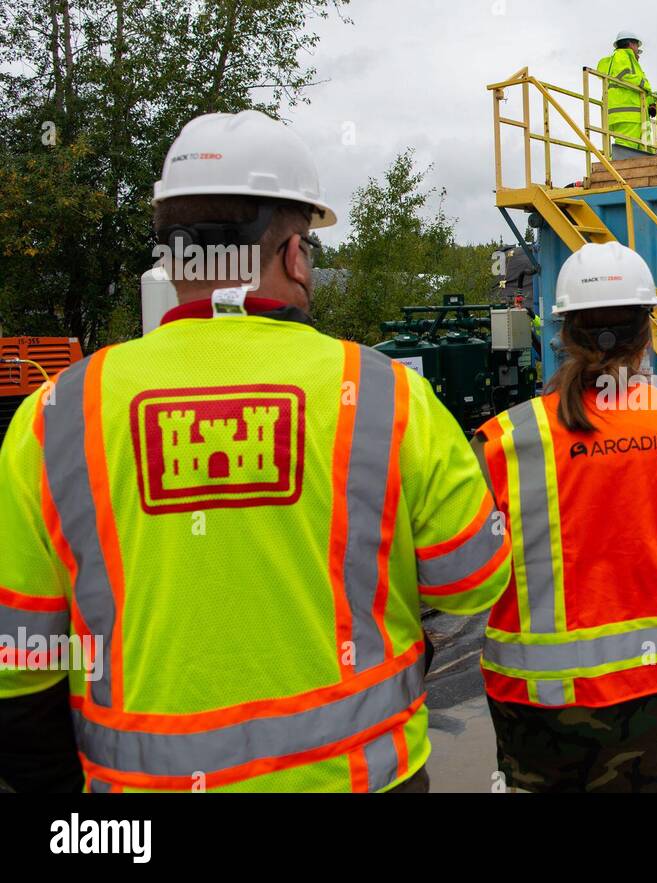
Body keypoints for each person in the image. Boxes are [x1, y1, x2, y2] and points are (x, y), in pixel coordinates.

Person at [0, 110, 512, 793]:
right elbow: (472, 579)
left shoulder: (55, 417)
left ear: (172, 255)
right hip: (359, 777)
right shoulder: (386, 396)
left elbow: (20, 666)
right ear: (295, 254)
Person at [473, 241, 657, 793]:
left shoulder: (506, 440)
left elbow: (467, 573)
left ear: (564, 333)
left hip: (543, 715)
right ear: (647, 334)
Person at [596, 30, 657, 153]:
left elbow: (637, 91)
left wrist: (652, 100)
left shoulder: (632, 63)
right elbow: (623, 76)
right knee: (626, 150)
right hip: (628, 115)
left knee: (648, 152)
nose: (638, 52)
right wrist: (646, 85)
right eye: (637, 47)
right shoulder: (621, 55)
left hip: (639, 116)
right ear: (631, 44)